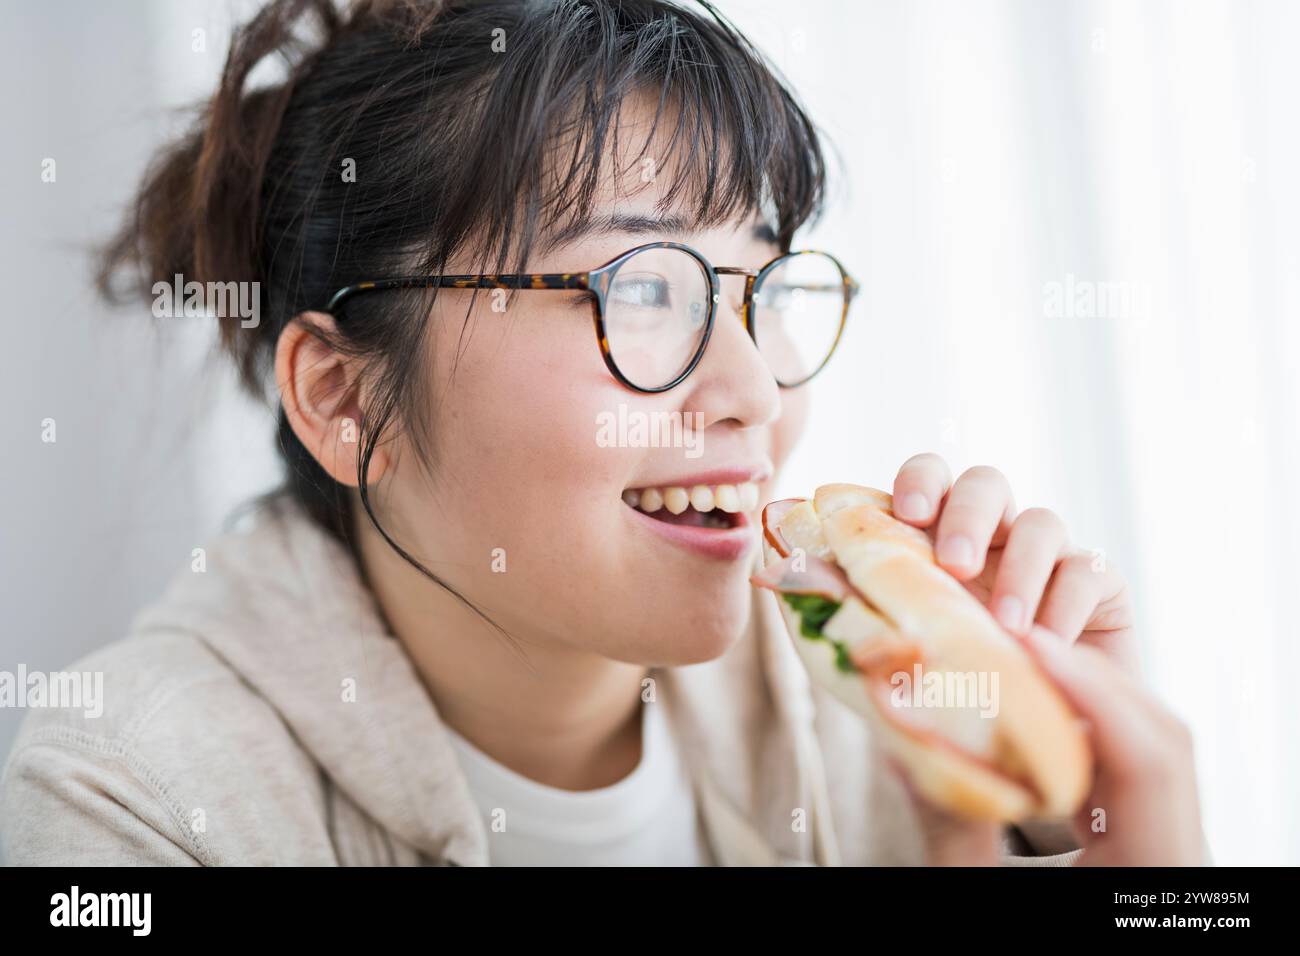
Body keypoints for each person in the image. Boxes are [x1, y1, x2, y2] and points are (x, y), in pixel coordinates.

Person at [0, 0, 1205, 866]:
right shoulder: (129, 805)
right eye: (642, 287)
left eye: (762, 289)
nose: (753, 391)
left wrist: (1077, 827)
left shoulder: (879, 705)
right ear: (343, 397)